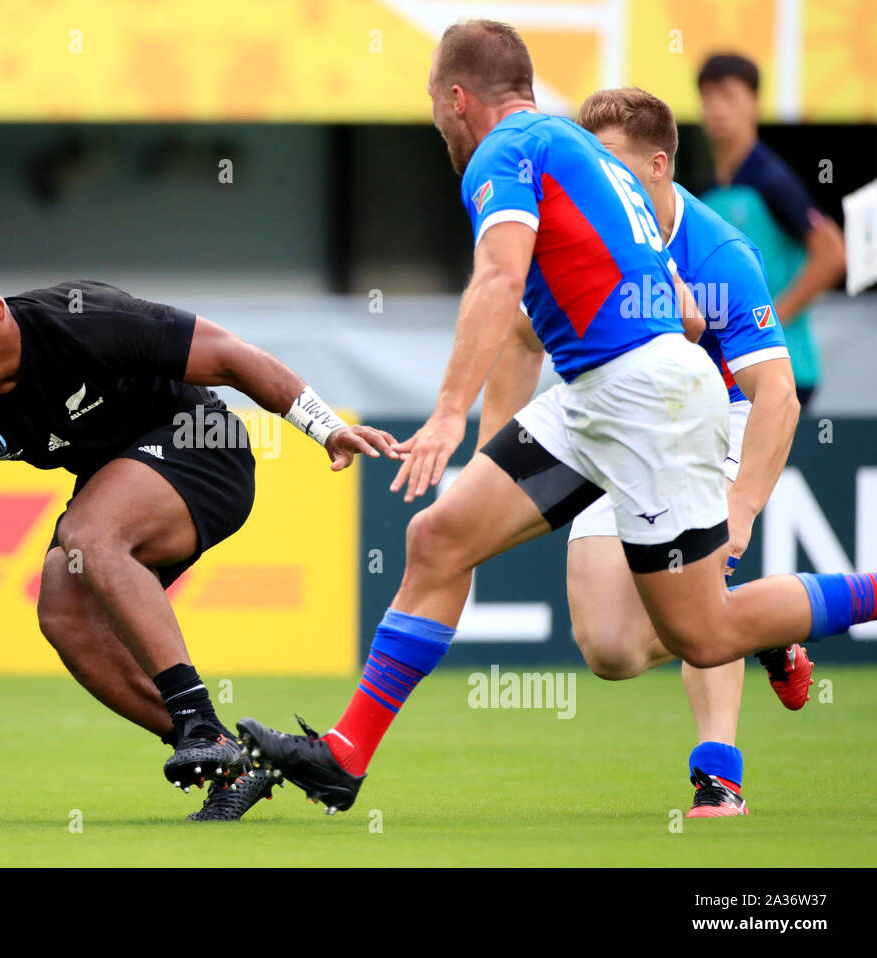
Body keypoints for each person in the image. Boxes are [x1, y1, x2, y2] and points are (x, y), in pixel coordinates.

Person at [237, 21, 877, 814]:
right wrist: (485, 451)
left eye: (435, 103)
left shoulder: (503, 154)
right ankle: (344, 757)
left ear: (458, 98)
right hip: (594, 395)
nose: (437, 119)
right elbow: (641, 308)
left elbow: (500, 284)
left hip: (649, 402)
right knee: (440, 540)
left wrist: (446, 415)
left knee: (705, 634)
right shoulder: (563, 151)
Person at [0, 239, 396, 822]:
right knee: (62, 609)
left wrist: (324, 428)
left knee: (89, 535)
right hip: (114, 484)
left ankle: (195, 716)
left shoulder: (82, 319)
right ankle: (230, 758)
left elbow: (227, 355)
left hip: (203, 450)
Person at [549, 86, 805, 817]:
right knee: (610, 649)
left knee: (698, 609)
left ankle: (718, 775)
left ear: (659, 167)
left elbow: (775, 395)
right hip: (619, 415)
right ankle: (769, 621)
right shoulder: (587, 233)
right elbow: (521, 331)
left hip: (710, 418)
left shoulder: (718, 251)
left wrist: (743, 507)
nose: (600, 184)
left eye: (617, 167)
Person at [697, 53, 847, 411]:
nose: (717, 108)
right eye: (708, 96)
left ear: (754, 104)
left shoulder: (773, 180)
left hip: (781, 367)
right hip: (727, 369)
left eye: (729, 96)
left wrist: (771, 317)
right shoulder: (707, 190)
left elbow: (832, 253)